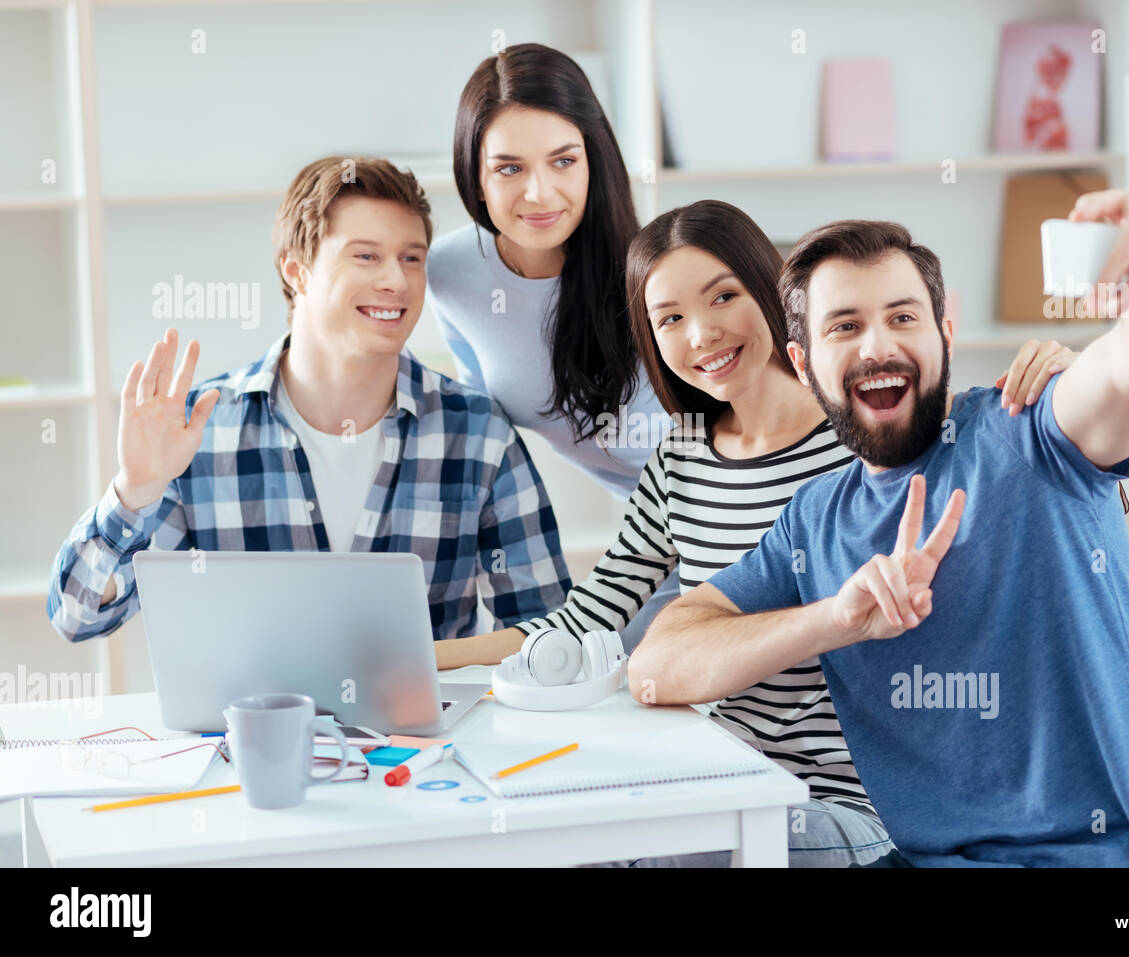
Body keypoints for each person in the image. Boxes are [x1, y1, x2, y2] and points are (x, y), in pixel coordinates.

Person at [445, 199, 1076, 866]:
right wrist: (412, 663)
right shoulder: (681, 458)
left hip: (857, 803)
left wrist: (1062, 386)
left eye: (725, 296)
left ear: (774, 294)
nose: (703, 334)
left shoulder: (869, 428)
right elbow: (582, 620)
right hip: (717, 777)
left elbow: (1032, 481)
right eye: (671, 318)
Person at [630, 183, 1129, 867]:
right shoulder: (815, 519)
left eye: (903, 317)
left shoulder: (1031, 430)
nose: (878, 346)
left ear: (944, 333)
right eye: (844, 326)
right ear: (802, 361)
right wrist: (838, 618)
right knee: (671, 840)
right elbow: (655, 664)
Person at [48, 156, 570, 643]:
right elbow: (77, 615)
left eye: (411, 258)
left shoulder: (477, 432)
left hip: (426, 740)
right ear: (295, 270)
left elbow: (548, 634)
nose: (397, 280)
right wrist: (134, 491)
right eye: (366, 256)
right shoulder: (200, 431)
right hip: (253, 738)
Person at [427, 43, 678, 654]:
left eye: (563, 160)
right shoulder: (450, 274)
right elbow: (482, 429)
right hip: (645, 546)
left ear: (594, 159)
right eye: (509, 168)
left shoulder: (657, 271)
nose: (539, 193)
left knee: (605, 669)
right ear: (475, 176)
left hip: (731, 526)